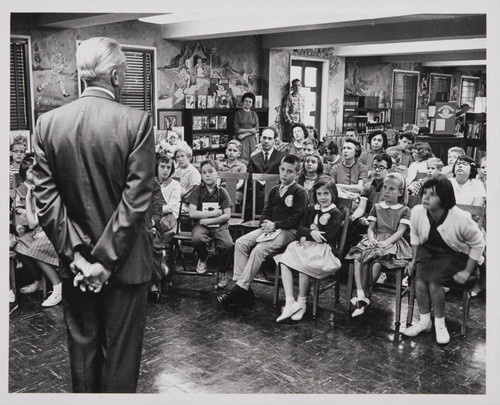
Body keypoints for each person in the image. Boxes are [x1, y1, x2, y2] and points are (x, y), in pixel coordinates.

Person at [32, 37, 155, 392]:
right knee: (121, 359)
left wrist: (80, 259)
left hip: (75, 267)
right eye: (126, 74)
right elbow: (136, 201)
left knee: (83, 355)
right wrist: (104, 261)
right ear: (115, 75)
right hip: (126, 265)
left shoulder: (48, 124)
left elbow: (46, 200)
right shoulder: (137, 122)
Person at [403, 175, 485, 344]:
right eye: (424, 192)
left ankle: (440, 324)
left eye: (431, 194)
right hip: (429, 252)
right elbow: (415, 236)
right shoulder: (418, 211)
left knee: (433, 281)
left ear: (444, 197)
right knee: (419, 280)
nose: (425, 197)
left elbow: (478, 244)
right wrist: (413, 260)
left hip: (457, 255)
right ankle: (425, 322)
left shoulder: (460, 217)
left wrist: (467, 270)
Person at [217, 154, 307, 308]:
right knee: (240, 242)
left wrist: (276, 225)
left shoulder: (300, 192)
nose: (285, 174)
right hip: (271, 228)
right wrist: (265, 223)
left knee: (259, 249)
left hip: (288, 232)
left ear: (296, 174)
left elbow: (297, 217)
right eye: (283, 169)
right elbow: (266, 211)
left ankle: (238, 291)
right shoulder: (275, 190)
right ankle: (244, 288)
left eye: (290, 171)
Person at [276, 179, 343, 322]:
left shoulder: (335, 213)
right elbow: (300, 228)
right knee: (284, 261)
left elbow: (329, 236)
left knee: (302, 265)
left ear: (333, 194)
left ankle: (302, 303)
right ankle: (289, 302)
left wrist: (308, 234)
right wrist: (311, 233)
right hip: (307, 245)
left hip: (323, 251)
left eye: (326, 193)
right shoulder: (312, 209)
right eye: (319, 194)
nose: (322, 197)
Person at [345, 173, 412, 317]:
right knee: (358, 258)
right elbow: (370, 228)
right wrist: (371, 239)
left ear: (400, 192)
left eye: (392, 189)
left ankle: (364, 297)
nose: (387, 191)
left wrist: (386, 242)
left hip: (392, 242)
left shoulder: (404, 210)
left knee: (375, 263)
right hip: (374, 238)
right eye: (385, 187)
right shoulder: (377, 207)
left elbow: (400, 232)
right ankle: (361, 294)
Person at [14, 154, 62, 308]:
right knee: (20, 244)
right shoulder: (33, 191)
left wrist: (44, 231)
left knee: (36, 247)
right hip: (42, 230)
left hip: (58, 231)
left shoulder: (49, 189)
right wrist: (28, 199)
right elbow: (33, 223)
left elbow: (45, 220)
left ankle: (57, 287)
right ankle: (39, 282)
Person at [185, 159, 234, 288]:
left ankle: (222, 271)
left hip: (219, 225)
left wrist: (211, 220)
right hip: (201, 225)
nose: (207, 175)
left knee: (228, 244)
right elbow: (192, 213)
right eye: (204, 172)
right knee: (196, 238)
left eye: (210, 171)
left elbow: (227, 215)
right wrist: (213, 214)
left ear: (217, 173)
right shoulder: (197, 191)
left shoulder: (222, 192)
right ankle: (203, 257)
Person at [150, 152, 181, 300]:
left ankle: (159, 252)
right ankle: (161, 259)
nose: (165, 170)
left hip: (170, 217)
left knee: (157, 228)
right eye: (162, 166)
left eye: (168, 167)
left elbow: (172, 206)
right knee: (152, 230)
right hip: (155, 216)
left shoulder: (175, 185)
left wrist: (153, 211)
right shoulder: (153, 182)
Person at [247, 127, 286, 217]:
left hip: (276, 193)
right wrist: (262, 183)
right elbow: (250, 177)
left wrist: (270, 184)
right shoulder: (254, 158)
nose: (266, 141)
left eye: (269, 138)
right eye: (264, 138)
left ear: (274, 141)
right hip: (257, 194)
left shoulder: (282, 157)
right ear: (260, 139)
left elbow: (283, 177)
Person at [234, 92, 259, 165]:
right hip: (241, 141)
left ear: (252, 103)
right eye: (246, 101)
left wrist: (245, 134)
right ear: (243, 102)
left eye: (250, 102)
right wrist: (251, 130)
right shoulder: (238, 114)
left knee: (253, 160)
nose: (248, 103)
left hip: (252, 140)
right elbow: (237, 129)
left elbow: (257, 129)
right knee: (242, 160)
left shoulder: (254, 114)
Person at [219, 139, 247, 206]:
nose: (231, 152)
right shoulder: (221, 166)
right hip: (222, 189)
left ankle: (233, 214)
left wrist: (231, 189)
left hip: (236, 190)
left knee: (235, 197)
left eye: (234, 151)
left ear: (239, 154)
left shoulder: (241, 166)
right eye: (229, 150)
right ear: (226, 151)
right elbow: (218, 180)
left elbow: (241, 182)